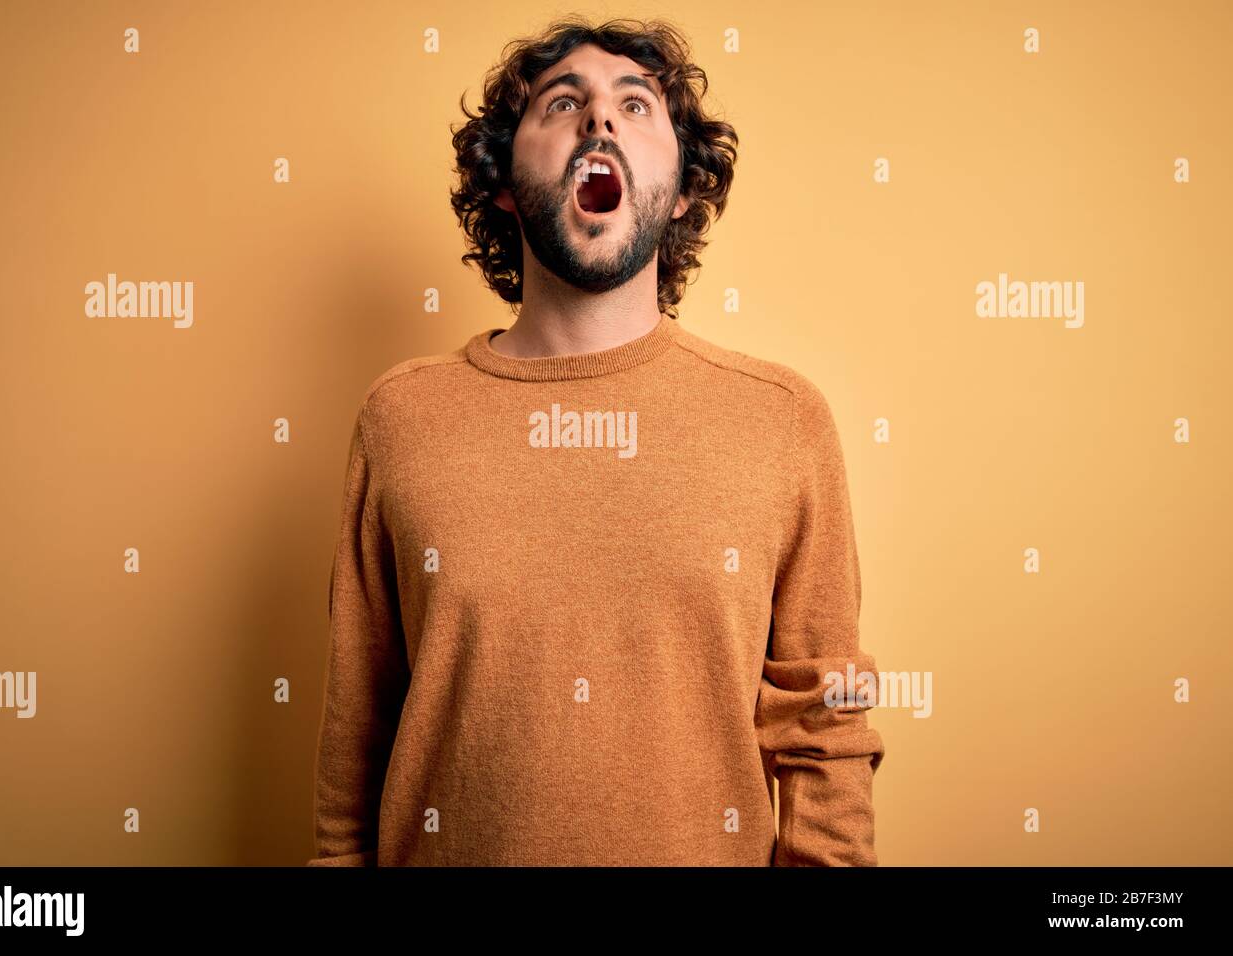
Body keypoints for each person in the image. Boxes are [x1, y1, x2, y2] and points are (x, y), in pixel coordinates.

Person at [307, 15, 885, 867]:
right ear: (504, 182)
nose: (599, 121)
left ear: (683, 188)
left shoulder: (783, 419)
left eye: (636, 105)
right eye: (563, 103)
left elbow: (827, 737)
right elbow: (354, 743)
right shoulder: (402, 418)